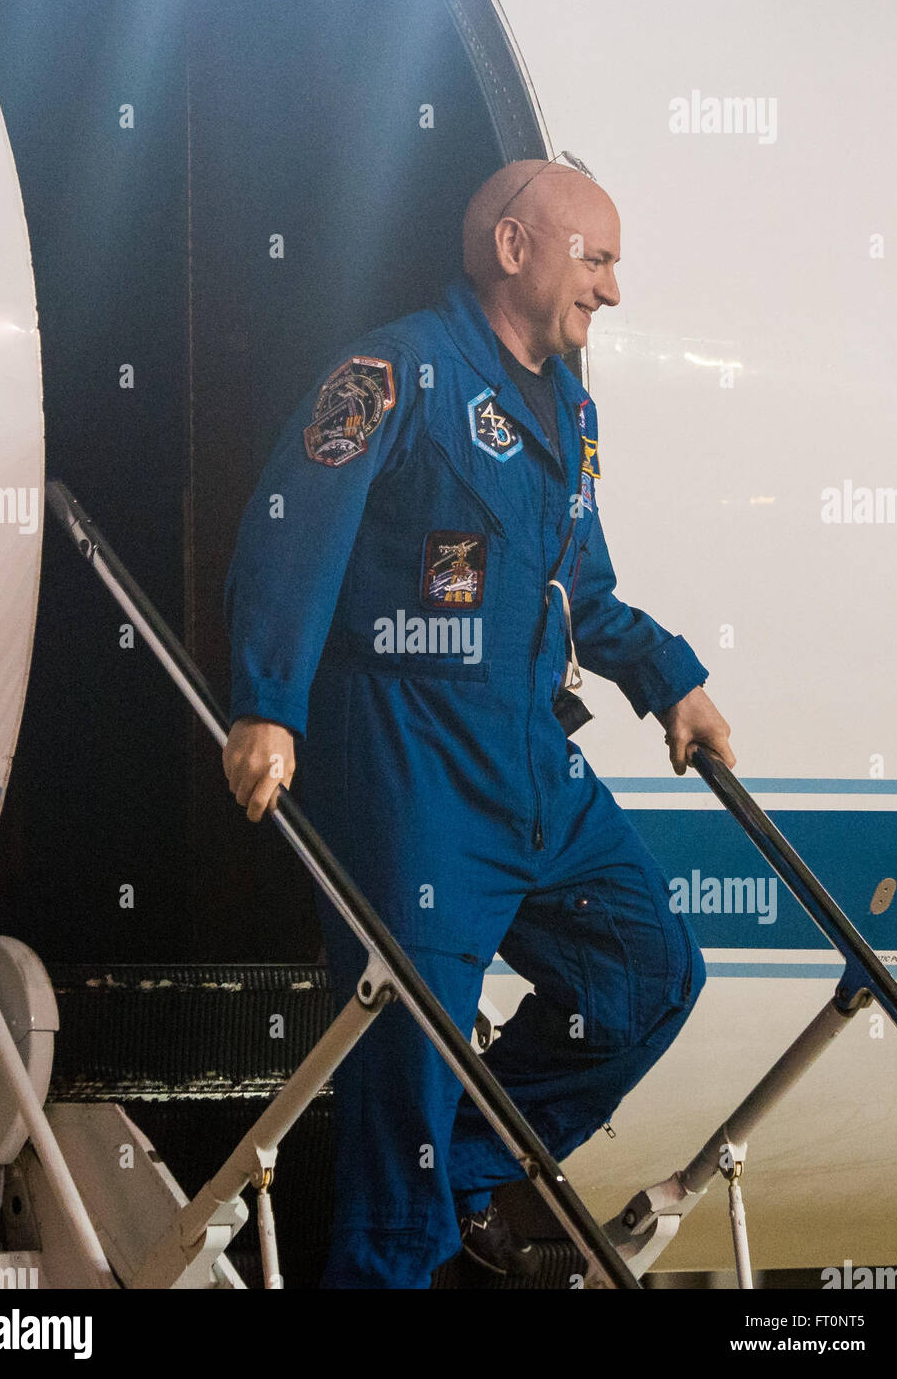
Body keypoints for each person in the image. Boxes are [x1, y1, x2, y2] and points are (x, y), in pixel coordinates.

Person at [222, 158, 736, 1289]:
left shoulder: (570, 408)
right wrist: (267, 702)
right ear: (514, 248)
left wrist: (670, 680)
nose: (610, 290)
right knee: (406, 1067)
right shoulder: (392, 373)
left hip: (530, 769)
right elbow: (286, 533)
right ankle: (395, 1243)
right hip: (409, 771)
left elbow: (578, 591)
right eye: (594, 259)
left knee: (649, 974)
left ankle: (450, 1178)